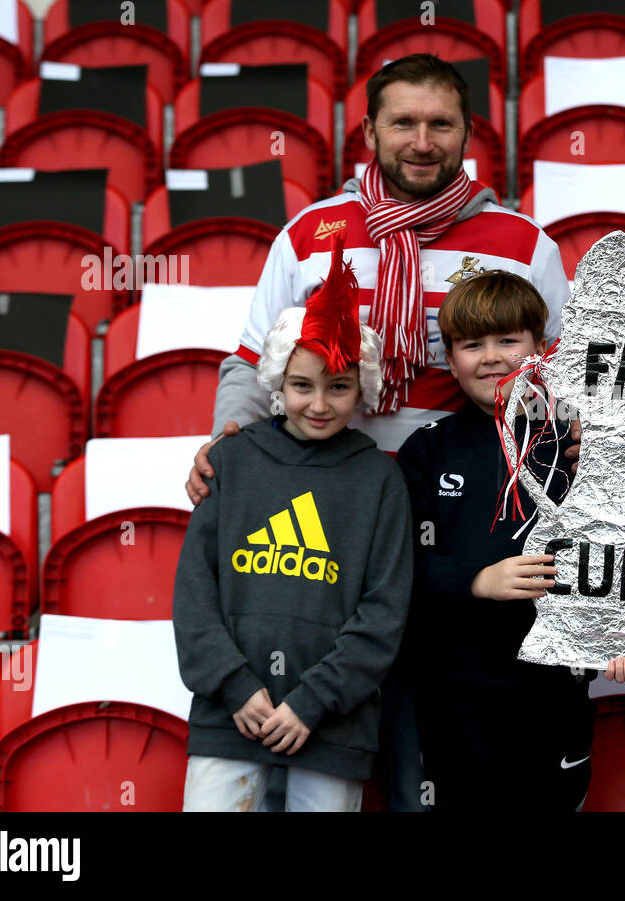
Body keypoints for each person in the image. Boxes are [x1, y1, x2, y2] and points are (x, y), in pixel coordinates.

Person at [184, 53, 568, 809]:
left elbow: (558, 368)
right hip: (332, 509)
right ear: (369, 131)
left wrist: (577, 433)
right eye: (403, 123)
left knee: (429, 740)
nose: (422, 141)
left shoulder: (522, 244)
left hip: (461, 518)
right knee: (335, 719)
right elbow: (249, 358)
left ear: (466, 132)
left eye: (440, 124)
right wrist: (231, 434)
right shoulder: (308, 233)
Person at [397, 269, 625, 811]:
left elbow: (616, 553)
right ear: (450, 359)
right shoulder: (428, 451)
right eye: (473, 344)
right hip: (454, 685)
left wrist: (620, 630)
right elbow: (401, 567)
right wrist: (476, 581)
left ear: (542, 348)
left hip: (552, 690)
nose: (491, 357)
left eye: (508, 340)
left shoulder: (578, 443)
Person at [172, 243, 412, 812]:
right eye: (303, 385)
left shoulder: (381, 482)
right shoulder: (229, 462)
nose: (320, 404)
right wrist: (233, 684)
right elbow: (194, 593)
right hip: (227, 713)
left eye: (339, 387)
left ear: (364, 388)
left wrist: (314, 701)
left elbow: (384, 614)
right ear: (278, 382)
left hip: (333, 725)